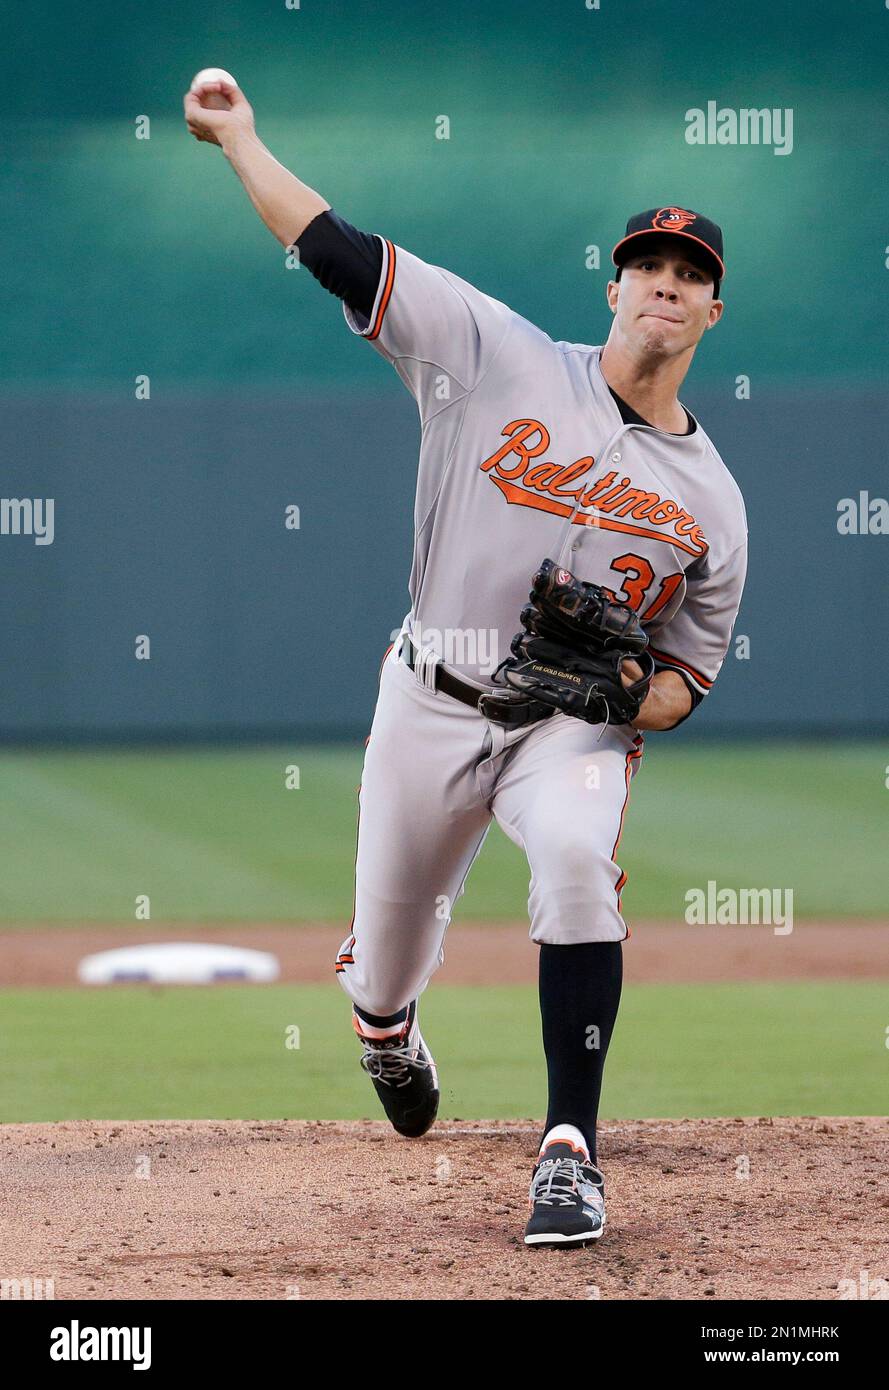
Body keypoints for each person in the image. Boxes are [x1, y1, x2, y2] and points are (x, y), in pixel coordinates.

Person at [185, 77, 748, 1247]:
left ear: (711, 312)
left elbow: (685, 683)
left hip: (568, 731)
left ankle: (569, 1153)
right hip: (429, 702)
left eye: (690, 274)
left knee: (579, 870)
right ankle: (386, 1028)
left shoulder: (714, 507)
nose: (666, 282)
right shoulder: (494, 352)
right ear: (615, 285)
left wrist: (618, 693)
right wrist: (241, 140)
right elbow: (342, 252)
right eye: (649, 263)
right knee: (384, 969)